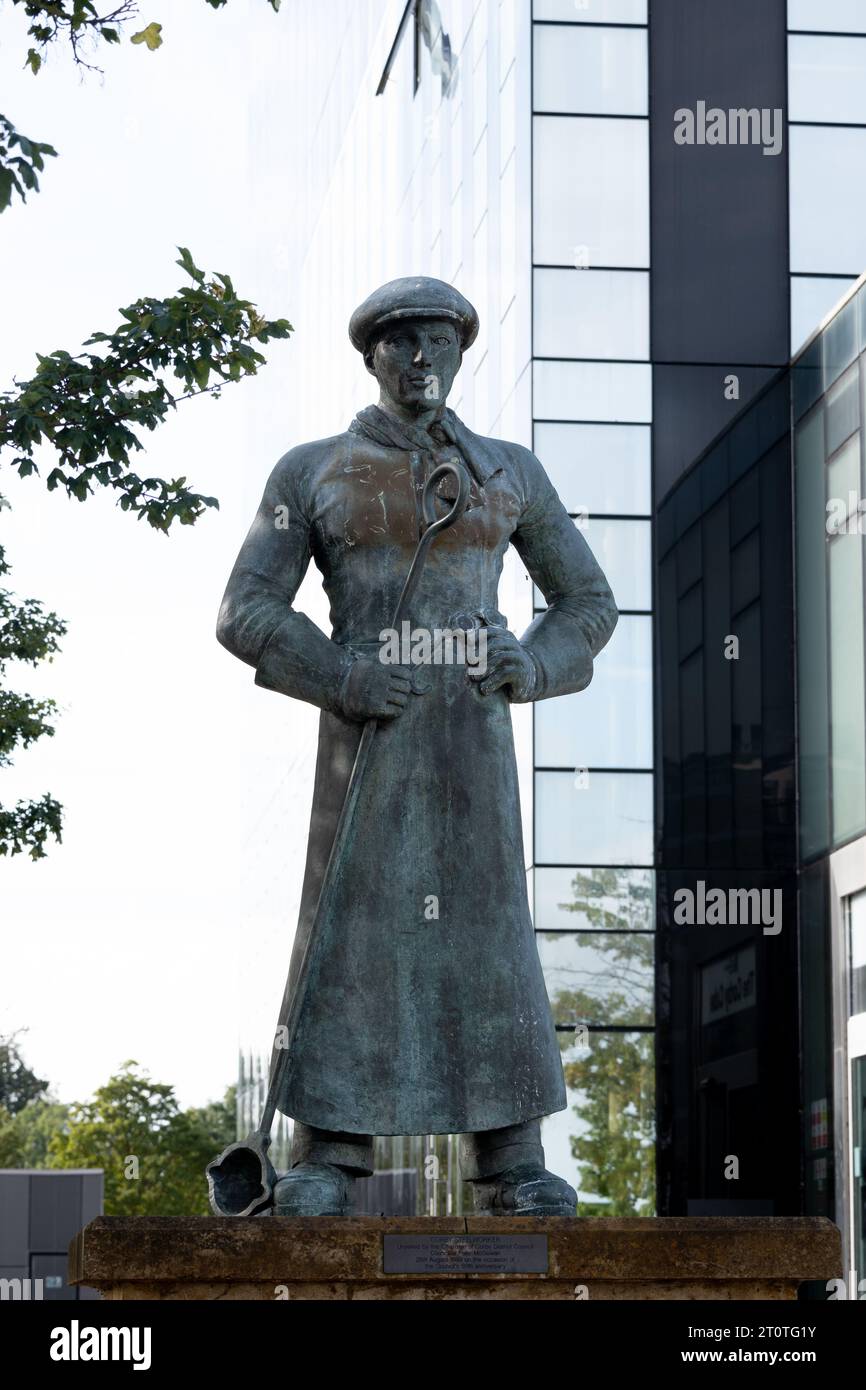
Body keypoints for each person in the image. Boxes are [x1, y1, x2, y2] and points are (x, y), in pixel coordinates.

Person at [216, 276, 618, 1216]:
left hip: (471, 739)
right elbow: (246, 609)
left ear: (460, 350)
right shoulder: (310, 470)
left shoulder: (506, 470)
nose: (422, 358)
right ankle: (330, 1151)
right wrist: (342, 676)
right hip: (369, 736)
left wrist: (534, 662)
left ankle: (515, 1153)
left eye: (439, 341)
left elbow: (588, 602)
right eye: (402, 343)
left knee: (486, 930)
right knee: (351, 929)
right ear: (373, 355)